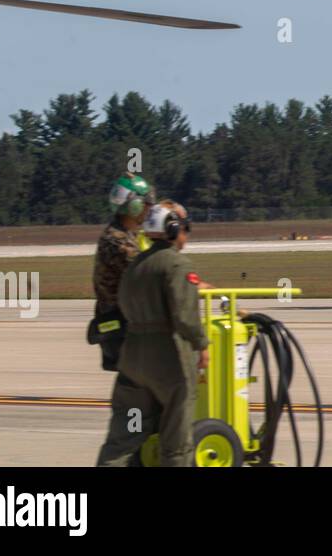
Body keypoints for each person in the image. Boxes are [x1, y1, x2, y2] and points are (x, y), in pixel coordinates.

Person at [96, 201, 210, 467]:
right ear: (172, 230)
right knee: (176, 443)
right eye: (185, 228)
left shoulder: (135, 265)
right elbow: (184, 316)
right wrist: (202, 345)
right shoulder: (176, 264)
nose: (186, 234)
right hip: (168, 362)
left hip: (132, 360)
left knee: (123, 438)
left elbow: (122, 303)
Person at [90, 175, 153, 371]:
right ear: (134, 206)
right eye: (146, 205)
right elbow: (148, 274)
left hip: (129, 322)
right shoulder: (118, 241)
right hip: (122, 326)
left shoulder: (127, 235)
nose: (149, 209)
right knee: (137, 384)